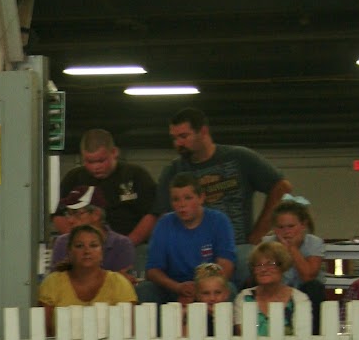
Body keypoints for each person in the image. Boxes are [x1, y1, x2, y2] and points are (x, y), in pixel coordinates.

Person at [153, 108, 292, 283]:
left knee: (252, 263)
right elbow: (164, 215)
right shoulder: (173, 171)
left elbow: (281, 186)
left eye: (183, 136)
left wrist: (259, 231)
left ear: (203, 132)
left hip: (237, 245)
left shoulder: (239, 158)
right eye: (174, 138)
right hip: (192, 251)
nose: (178, 143)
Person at [142, 172, 236, 304]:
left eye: (188, 198)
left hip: (209, 288)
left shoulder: (219, 221)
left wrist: (200, 291)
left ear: (201, 198)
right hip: (173, 288)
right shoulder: (164, 223)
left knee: (229, 289)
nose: (182, 205)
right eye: (176, 199)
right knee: (145, 290)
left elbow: (226, 265)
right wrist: (177, 287)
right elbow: (152, 270)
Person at [56, 128, 156, 249]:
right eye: (89, 161)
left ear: (114, 152)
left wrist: (126, 245)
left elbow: (151, 214)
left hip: (133, 247)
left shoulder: (136, 175)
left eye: (101, 160)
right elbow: (59, 215)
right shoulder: (74, 178)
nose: (95, 167)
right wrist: (79, 243)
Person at [38, 225, 137, 331]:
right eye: (79, 246)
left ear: (102, 252)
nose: (87, 251)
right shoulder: (53, 282)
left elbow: (129, 331)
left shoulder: (119, 283)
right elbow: (44, 333)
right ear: (69, 252)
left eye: (93, 245)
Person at [269, 195, 326, 323]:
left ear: (303, 225)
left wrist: (292, 249)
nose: (286, 232)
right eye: (281, 227)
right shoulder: (268, 243)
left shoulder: (313, 243)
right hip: (277, 290)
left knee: (314, 287)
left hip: (305, 292)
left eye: (291, 226)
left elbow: (308, 276)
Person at [49, 202, 136, 279]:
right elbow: (55, 281)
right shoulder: (62, 242)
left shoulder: (122, 244)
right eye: (68, 214)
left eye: (77, 213)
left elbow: (123, 284)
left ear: (96, 214)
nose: (70, 220)